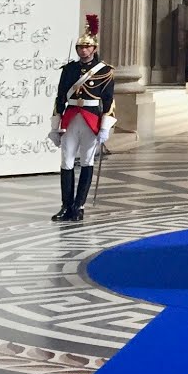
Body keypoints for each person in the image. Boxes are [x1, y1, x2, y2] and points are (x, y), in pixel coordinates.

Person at [49, 15, 116, 223]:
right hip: (71, 117)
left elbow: (108, 101)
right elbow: (60, 97)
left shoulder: (104, 71)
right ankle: (66, 205)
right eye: (80, 47)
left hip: (91, 118)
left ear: (94, 49)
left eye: (87, 47)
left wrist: (105, 127)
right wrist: (55, 125)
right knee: (67, 161)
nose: (83, 51)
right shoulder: (69, 70)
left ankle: (79, 206)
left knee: (86, 161)